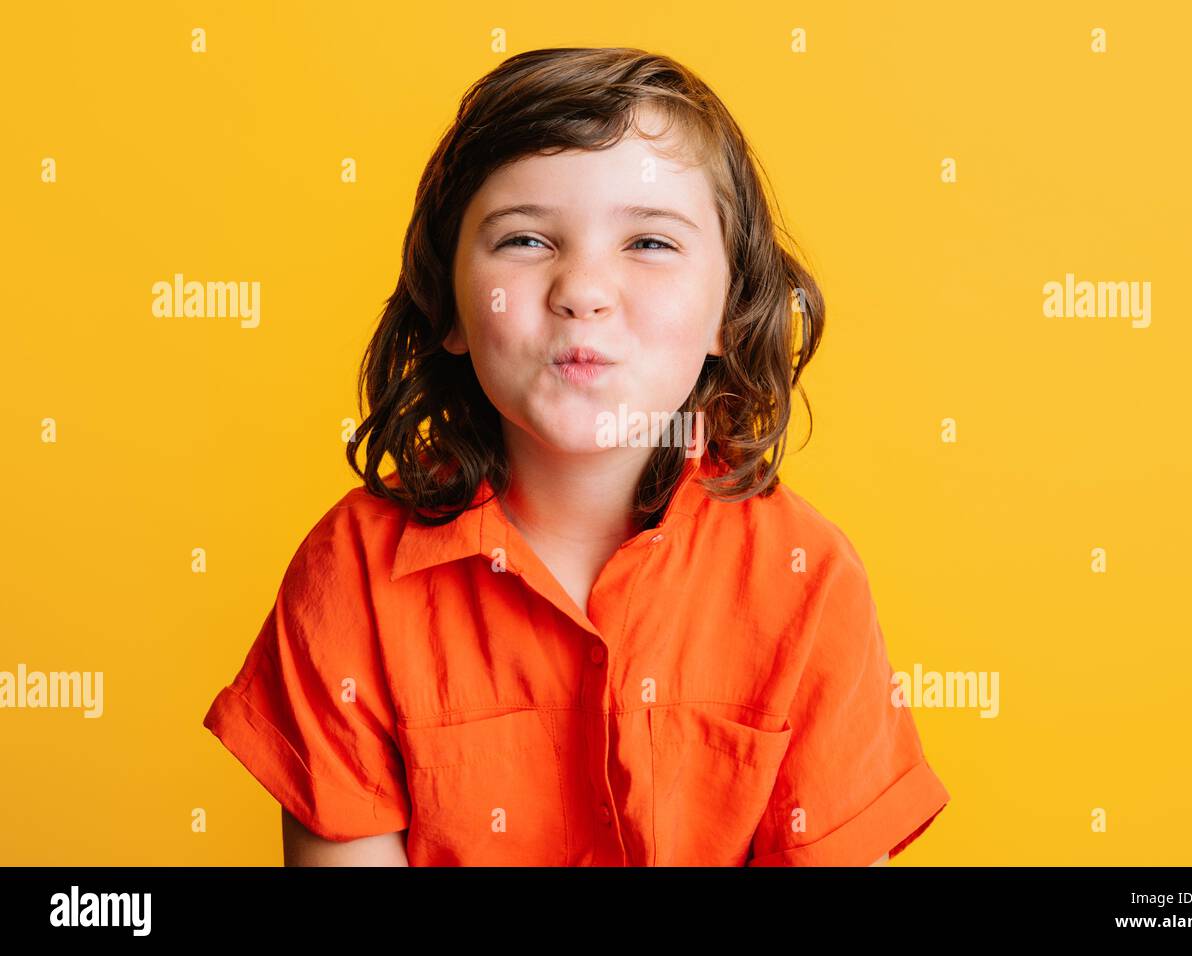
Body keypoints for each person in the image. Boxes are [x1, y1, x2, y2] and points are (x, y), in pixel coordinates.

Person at [202, 46, 950, 867]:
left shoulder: (809, 583)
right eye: (525, 240)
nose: (582, 289)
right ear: (448, 306)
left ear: (726, 318)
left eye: (651, 244)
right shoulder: (351, 577)